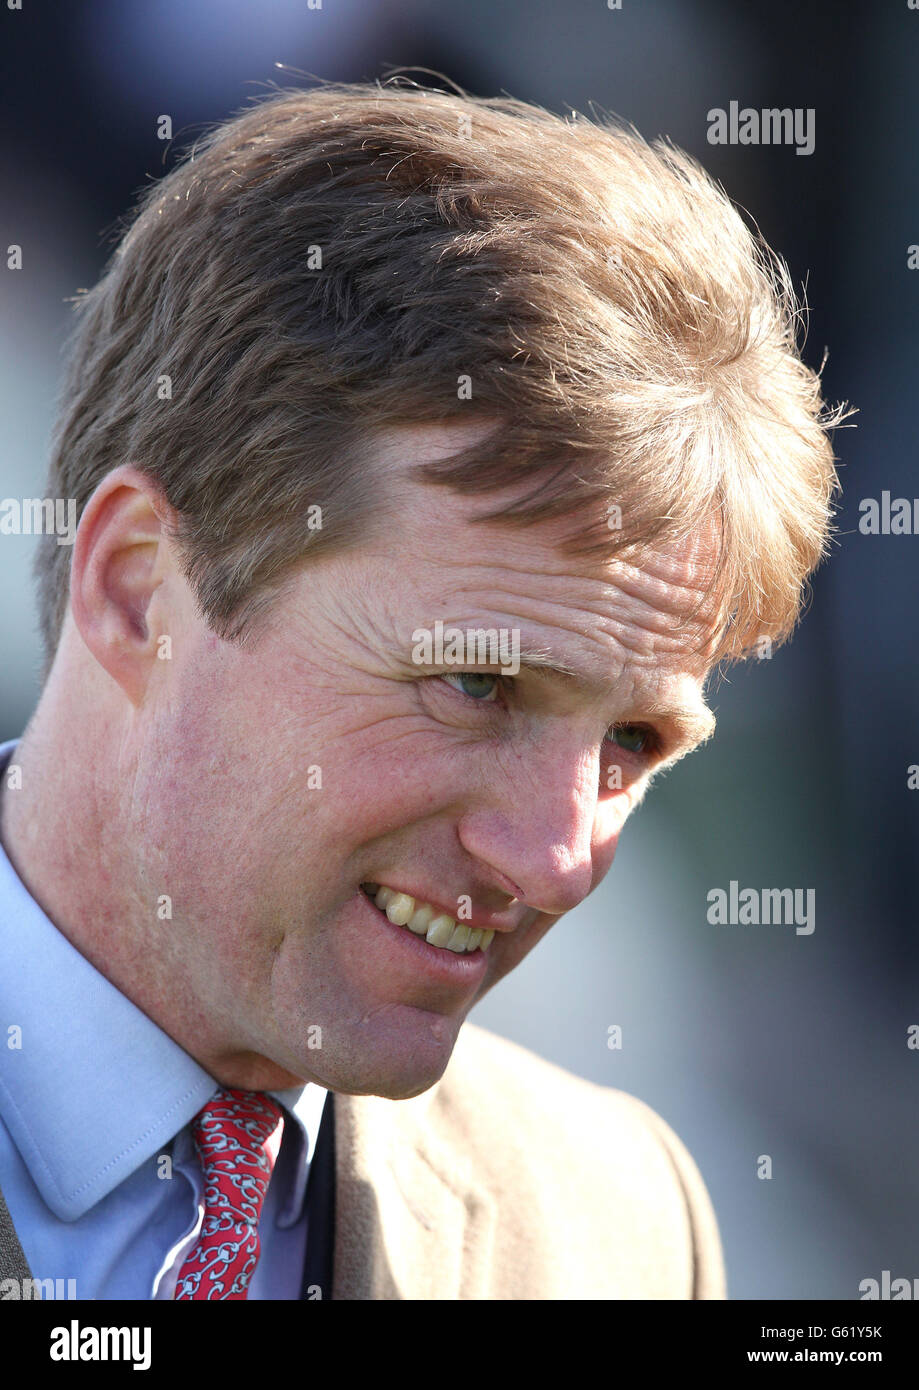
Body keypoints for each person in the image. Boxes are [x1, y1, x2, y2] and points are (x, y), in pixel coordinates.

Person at [0, 80, 843, 1300]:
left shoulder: (623, 1230)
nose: (558, 859)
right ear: (139, 591)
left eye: (632, 741)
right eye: (472, 682)